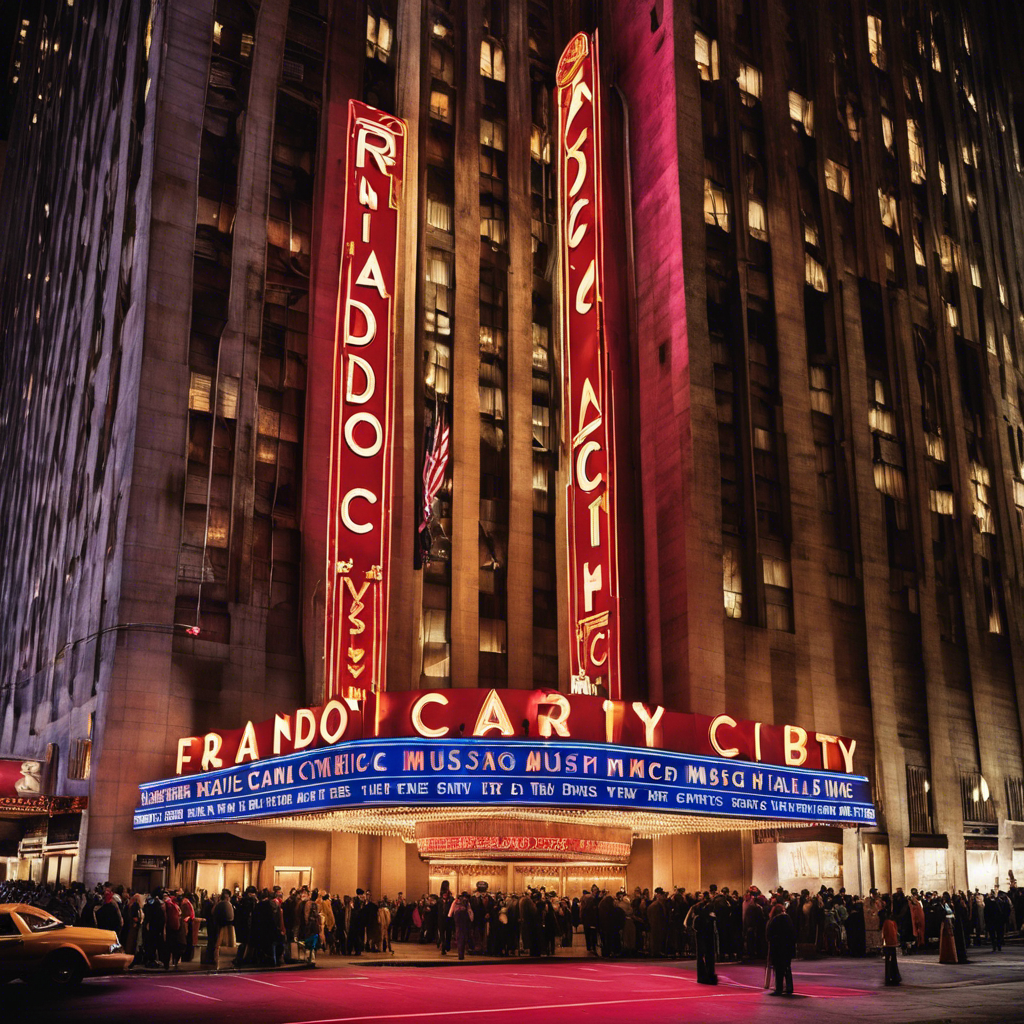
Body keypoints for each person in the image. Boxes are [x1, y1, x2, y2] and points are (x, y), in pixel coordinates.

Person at [766, 904, 796, 996]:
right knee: (787, 967)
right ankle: (789, 987)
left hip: (777, 947)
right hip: (788, 947)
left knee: (778, 969)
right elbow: (793, 933)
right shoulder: (788, 919)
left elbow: (768, 935)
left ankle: (779, 988)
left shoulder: (774, 921)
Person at [450, 891, 474, 960]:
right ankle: (466, 951)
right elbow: (470, 912)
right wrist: (471, 919)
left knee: (459, 937)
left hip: (457, 920)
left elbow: (451, 910)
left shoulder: (456, 901)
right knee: (465, 936)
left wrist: (450, 917)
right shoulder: (467, 903)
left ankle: (460, 955)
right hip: (465, 920)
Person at [881, 911, 901, 986]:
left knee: (889, 960)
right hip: (891, 943)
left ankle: (890, 976)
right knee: (892, 960)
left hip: (889, 944)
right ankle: (893, 976)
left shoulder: (887, 923)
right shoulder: (891, 923)